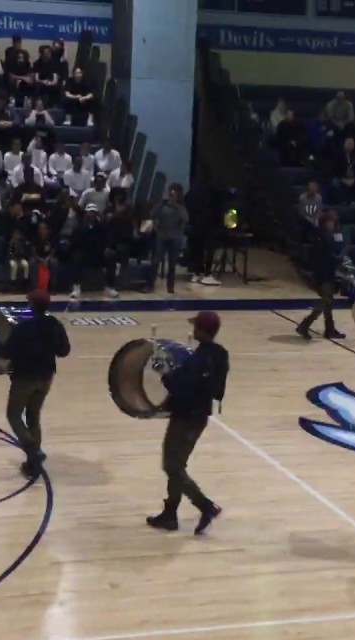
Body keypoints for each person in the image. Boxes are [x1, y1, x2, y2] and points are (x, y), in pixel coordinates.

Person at [146, 311, 228, 535]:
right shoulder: (220, 354)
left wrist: (165, 373)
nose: (193, 330)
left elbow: (179, 388)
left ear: (201, 330)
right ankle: (170, 514)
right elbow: (217, 391)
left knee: (171, 466)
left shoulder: (198, 360)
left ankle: (205, 505)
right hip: (200, 417)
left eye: (196, 327)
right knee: (177, 465)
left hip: (185, 417)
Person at [0, 290, 71, 479]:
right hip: (46, 378)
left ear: (31, 305)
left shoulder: (23, 327)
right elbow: (64, 351)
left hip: (25, 378)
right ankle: (33, 465)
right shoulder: (55, 324)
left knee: (14, 415)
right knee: (33, 417)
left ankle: (33, 451)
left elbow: (5, 352)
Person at [296, 212, 347, 340]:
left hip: (328, 274)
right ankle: (305, 325)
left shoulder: (328, 236)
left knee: (328, 303)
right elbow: (323, 258)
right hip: (322, 275)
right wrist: (338, 261)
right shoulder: (320, 238)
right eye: (330, 222)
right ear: (324, 223)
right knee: (325, 302)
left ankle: (329, 329)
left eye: (333, 222)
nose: (332, 225)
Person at [150, 183, 188, 293]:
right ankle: (150, 284)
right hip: (162, 236)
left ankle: (170, 286)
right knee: (156, 261)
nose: (172, 196)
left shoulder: (180, 208)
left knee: (172, 264)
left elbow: (185, 219)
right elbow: (152, 214)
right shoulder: (162, 205)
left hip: (174, 238)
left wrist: (176, 206)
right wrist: (156, 225)